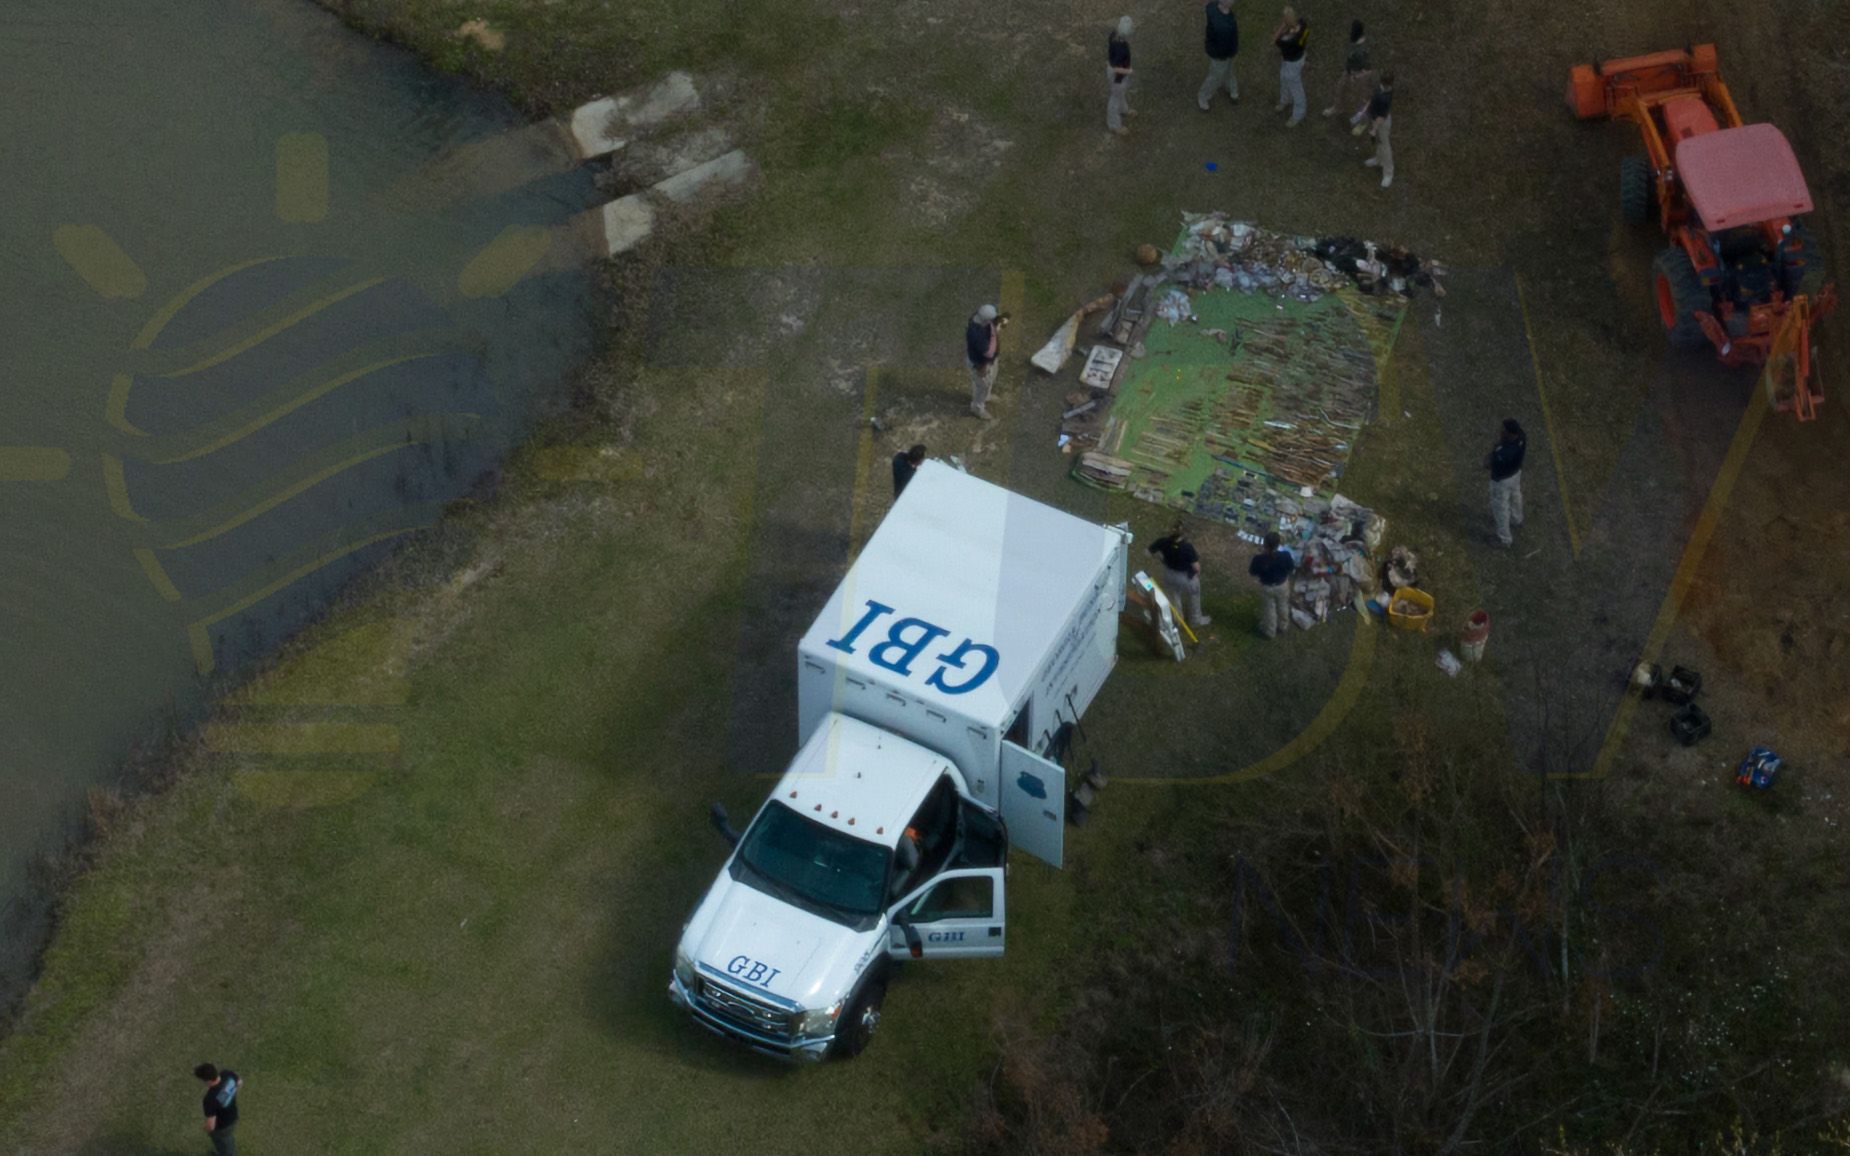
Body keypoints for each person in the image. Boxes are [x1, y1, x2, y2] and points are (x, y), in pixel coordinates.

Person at [1147, 523, 1211, 627]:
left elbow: (1148, 552)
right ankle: (1195, 620)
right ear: (1183, 534)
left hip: (1169, 574)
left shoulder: (1162, 542)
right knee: (1194, 596)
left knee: (1174, 597)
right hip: (1186, 577)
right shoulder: (1187, 547)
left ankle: (1178, 620)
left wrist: (1161, 558)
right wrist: (1197, 574)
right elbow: (1196, 567)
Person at [1485, 418, 1526, 547]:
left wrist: (1493, 452)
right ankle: (1516, 518)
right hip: (1515, 474)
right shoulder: (1522, 436)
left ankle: (1504, 539)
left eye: (1504, 430)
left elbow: (1488, 464)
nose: (1501, 432)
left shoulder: (1505, 452)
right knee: (1516, 496)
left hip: (1502, 481)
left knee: (1500, 508)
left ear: (1510, 433)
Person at [1249, 532, 1296, 638]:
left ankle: (1270, 631)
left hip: (1267, 587)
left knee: (1269, 609)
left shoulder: (1259, 559)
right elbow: (1291, 568)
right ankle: (1283, 625)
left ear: (1264, 543)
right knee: (1283, 605)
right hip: (1282, 584)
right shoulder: (1285, 555)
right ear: (1278, 544)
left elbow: (1252, 572)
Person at [1198, 0, 1241, 112]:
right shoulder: (1224, 26)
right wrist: (1230, 52)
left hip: (1225, 50)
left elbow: (1207, 7)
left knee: (1230, 70)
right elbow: (1225, 43)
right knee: (1215, 76)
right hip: (1221, 54)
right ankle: (1203, 97)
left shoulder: (1212, 7)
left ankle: (1232, 88)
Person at [1323, 20, 1373, 117]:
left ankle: (1361, 119)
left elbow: (1368, 71)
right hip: (1349, 71)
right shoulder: (1354, 42)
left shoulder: (1362, 51)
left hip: (1358, 75)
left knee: (1360, 98)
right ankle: (1338, 108)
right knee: (1340, 88)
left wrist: (1356, 77)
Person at [1356, 71, 1395, 188]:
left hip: (1381, 123)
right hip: (1375, 119)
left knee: (1385, 145)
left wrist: (1374, 129)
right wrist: (1364, 110)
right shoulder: (1380, 88)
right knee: (1379, 142)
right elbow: (1372, 99)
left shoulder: (1386, 98)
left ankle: (1388, 173)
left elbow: (1381, 118)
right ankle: (1378, 159)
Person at [1272, 8, 1309, 127]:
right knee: (1284, 79)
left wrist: (1282, 27)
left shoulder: (1288, 40)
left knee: (1295, 86)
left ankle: (1299, 113)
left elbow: (1275, 39)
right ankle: (1285, 100)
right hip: (1298, 57)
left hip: (1292, 62)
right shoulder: (1303, 25)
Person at [194, 1063, 242, 1156]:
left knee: (225, 1147)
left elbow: (211, 1126)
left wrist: (206, 1129)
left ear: (207, 1081)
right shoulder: (227, 1074)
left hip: (222, 1127)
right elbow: (239, 1082)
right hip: (233, 1116)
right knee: (227, 1140)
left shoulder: (210, 1099)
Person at [965, 305, 1001, 420]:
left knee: (991, 378)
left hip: (988, 362)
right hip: (980, 365)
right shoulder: (976, 334)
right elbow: (988, 353)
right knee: (982, 386)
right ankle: (977, 408)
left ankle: (987, 396)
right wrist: (984, 366)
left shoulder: (981, 322)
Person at [1106, 17, 1136, 136]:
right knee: (1115, 98)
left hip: (1114, 72)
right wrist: (1128, 72)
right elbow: (1116, 68)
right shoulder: (1121, 48)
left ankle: (1123, 109)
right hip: (1118, 76)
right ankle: (1114, 124)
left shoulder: (1113, 35)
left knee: (1119, 94)